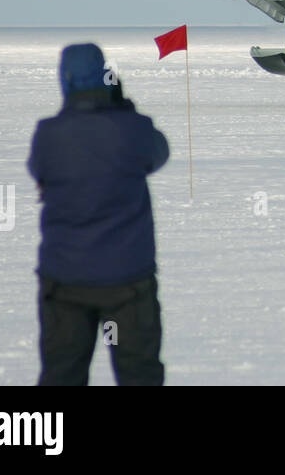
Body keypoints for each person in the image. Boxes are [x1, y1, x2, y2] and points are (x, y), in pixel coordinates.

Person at [27, 43, 170, 385]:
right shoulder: (131, 129)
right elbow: (158, 152)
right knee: (139, 373)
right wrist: (123, 109)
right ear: (106, 79)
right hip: (127, 284)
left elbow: (39, 170)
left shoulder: (48, 135)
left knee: (63, 373)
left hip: (65, 282)